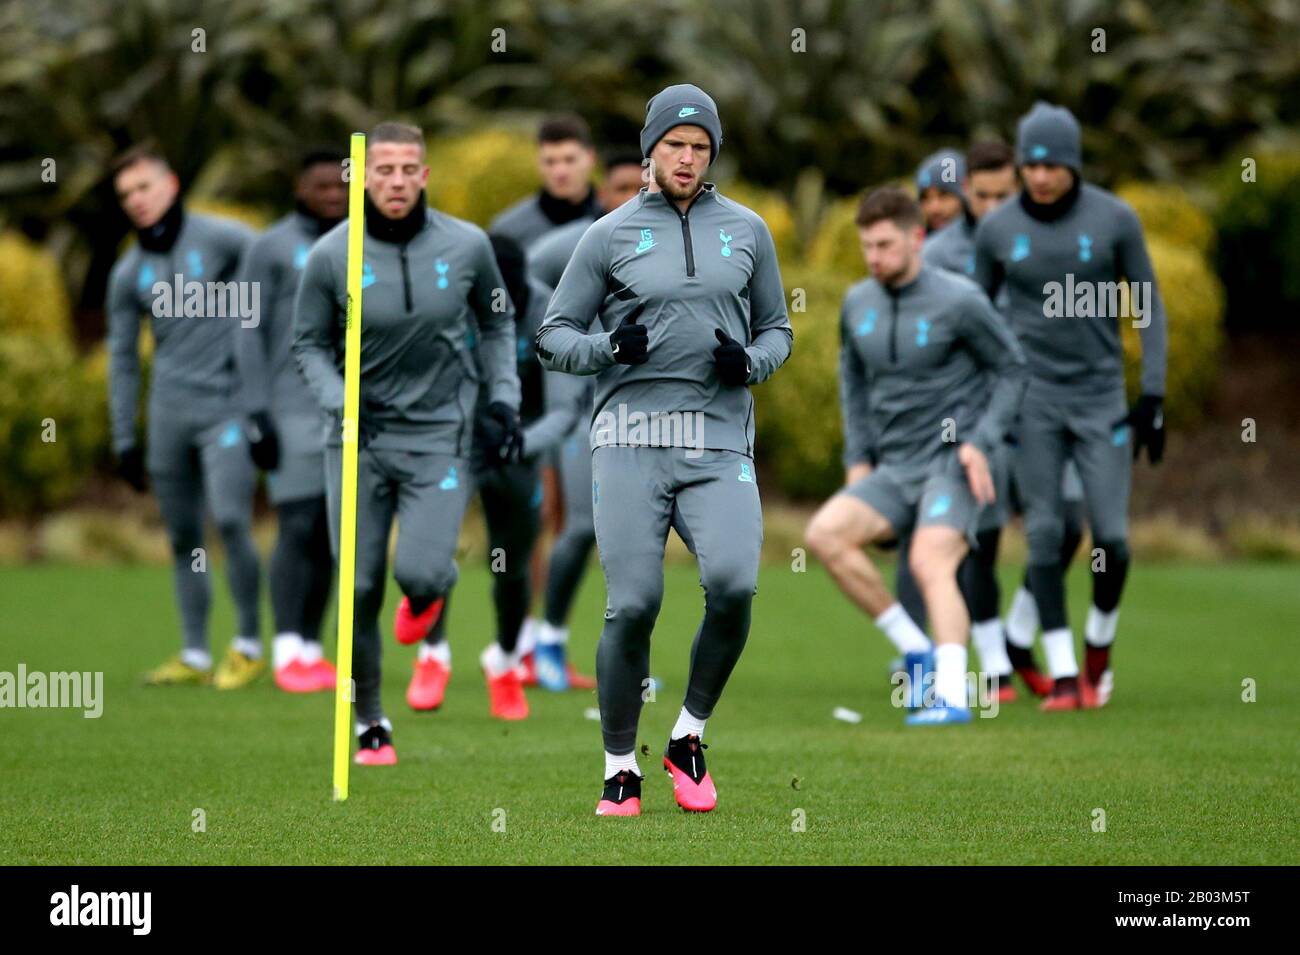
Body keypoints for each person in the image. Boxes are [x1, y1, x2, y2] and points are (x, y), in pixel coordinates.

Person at [537, 84, 792, 816]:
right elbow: (553, 337)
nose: (687, 158)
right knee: (636, 603)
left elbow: (778, 328)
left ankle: (687, 734)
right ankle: (621, 764)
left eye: (701, 148)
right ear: (650, 150)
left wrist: (751, 361)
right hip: (628, 442)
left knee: (737, 584)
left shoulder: (747, 229)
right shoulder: (609, 235)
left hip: (717, 440)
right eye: (675, 145)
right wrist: (609, 347)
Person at [293, 122, 520, 764]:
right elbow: (306, 344)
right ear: (363, 176)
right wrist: (342, 402)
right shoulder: (332, 254)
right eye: (383, 170)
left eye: (407, 170)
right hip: (357, 441)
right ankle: (371, 721)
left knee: (420, 572)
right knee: (360, 586)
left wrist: (504, 398)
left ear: (424, 175)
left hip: (441, 436)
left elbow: (499, 323)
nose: (395, 181)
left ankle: (427, 590)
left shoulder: (469, 246)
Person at [804, 186, 1026, 726]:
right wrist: (858, 461)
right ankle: (915, 649)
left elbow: (1013, 369)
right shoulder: (858, 302)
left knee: (929, 561)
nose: (874, 257)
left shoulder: (961, 300)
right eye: (867, 247)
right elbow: (852, 383)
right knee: (824, 535)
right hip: (894, 468)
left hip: (954, 461)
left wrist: (981, 442)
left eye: (884, 245)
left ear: (916, 238)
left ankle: (951, 695)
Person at [973, 102, 1167, 711]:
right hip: (1033, 404)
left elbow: (1148, 306)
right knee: (1046, 535)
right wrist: (984, 409)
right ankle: (1061, 674)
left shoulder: (1115, 220)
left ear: (1073, 164)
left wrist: (1153, 395)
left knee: (1112, 537)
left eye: (1052, 164)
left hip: (1102, 400)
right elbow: (974, 321)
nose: (1040, 175)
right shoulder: (997, 229)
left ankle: (1098, 647)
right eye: (1030, 163)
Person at [105, 143, 263, 689]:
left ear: (170, 184)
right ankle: (195, 653)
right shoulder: (128, 273)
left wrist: (257, 364)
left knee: (234, 518)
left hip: (226, 409)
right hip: (169, 415)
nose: (136, 201)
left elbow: (273, 267)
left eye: (144, 187)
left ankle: (247, 643)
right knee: (182, 539)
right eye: (126, 195)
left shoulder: (222, 238)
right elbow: (123, 359)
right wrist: (125, 436)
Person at [516, 149, 645, 691]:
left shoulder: (672, 244)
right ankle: (545, 639)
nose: (632, 197)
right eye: (620, 187)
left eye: (640, 186)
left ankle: (619, 654)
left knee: (632, 534)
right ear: (602, 193)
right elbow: (523, 282)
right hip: (574, 400)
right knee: (576, 526)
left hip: (641, 407)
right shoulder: (577, 244)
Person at [404, 235, 548, 719]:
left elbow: (570, 405)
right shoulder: (448, 305)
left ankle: (504, 661)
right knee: (435, 542)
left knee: (511, 565)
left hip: (517, 443)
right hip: (455, 441)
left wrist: (522, 440)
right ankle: (433, 654)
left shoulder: (549, 306)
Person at [235, 148, 346, 694]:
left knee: (331, 533)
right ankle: (285, 647)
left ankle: (310, 646)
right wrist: (256, 412)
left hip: (344, 405)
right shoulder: (270, 247)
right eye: (321, 186)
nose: (332, 195)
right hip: (288, 405)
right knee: (297, 522)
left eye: (339, 186)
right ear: (300, 188)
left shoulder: (357, 241)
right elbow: (247, 330)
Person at [489, 114, 602, 250]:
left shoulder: (615, 218)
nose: (560, 172)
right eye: (550, 162)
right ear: (538, 163)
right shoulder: (508, 230)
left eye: (570, 160)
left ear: (591, 157)